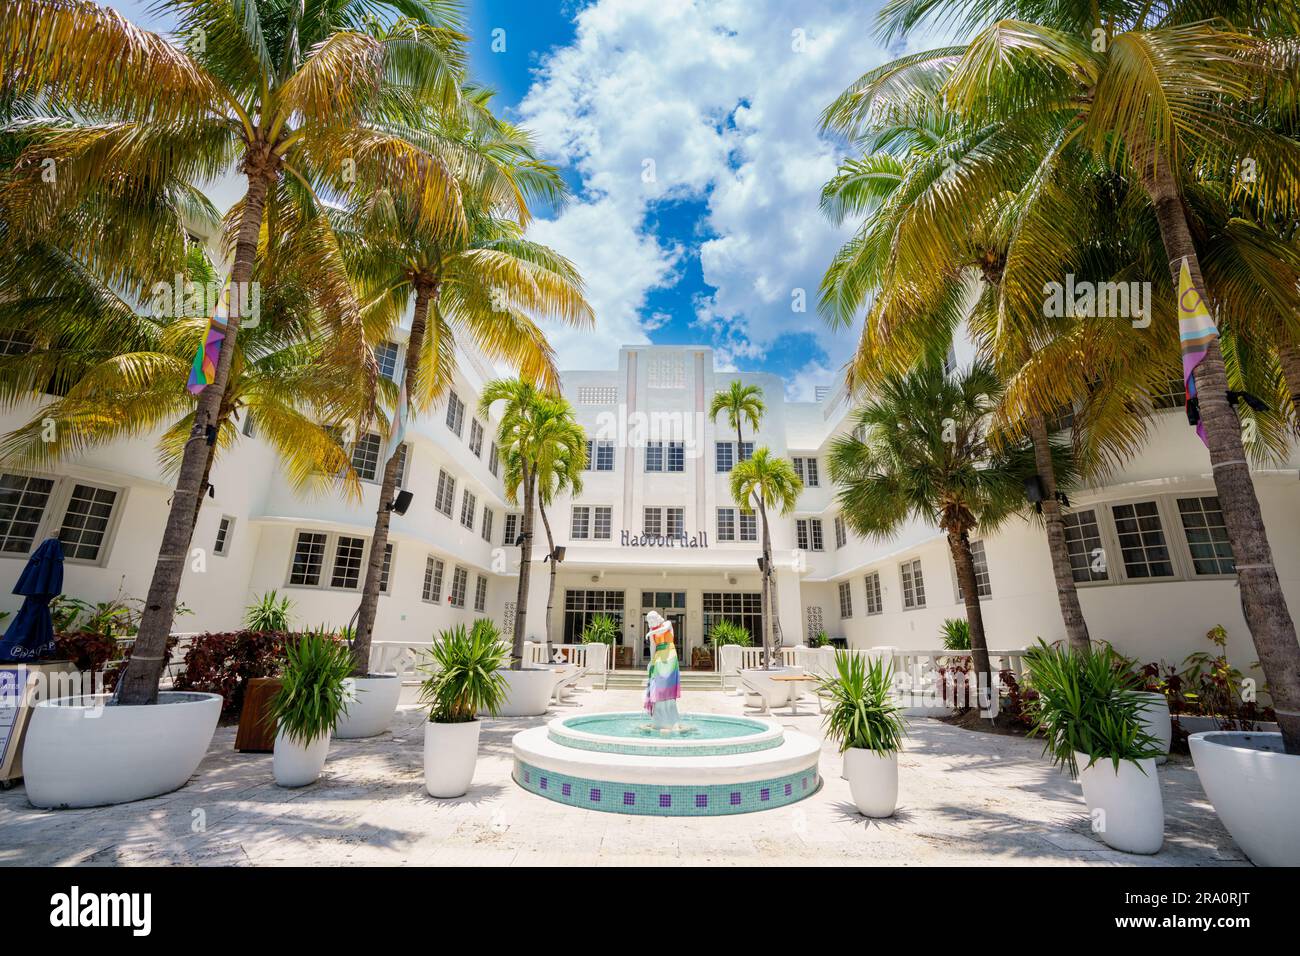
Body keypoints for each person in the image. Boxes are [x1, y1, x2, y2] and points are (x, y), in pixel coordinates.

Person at [642, 610, 682, 732]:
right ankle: (659, 715)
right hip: (658, 656)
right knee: (657, 683)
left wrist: (650, 633)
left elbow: (662, 630)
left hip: (670, 654)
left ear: (658, 618)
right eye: (648, 620)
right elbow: (653, 646)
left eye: (652, 619)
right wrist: (651, 661)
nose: (650, 622)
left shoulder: (667, 624)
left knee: (667, 681)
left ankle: (670, 717)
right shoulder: (652, 631)